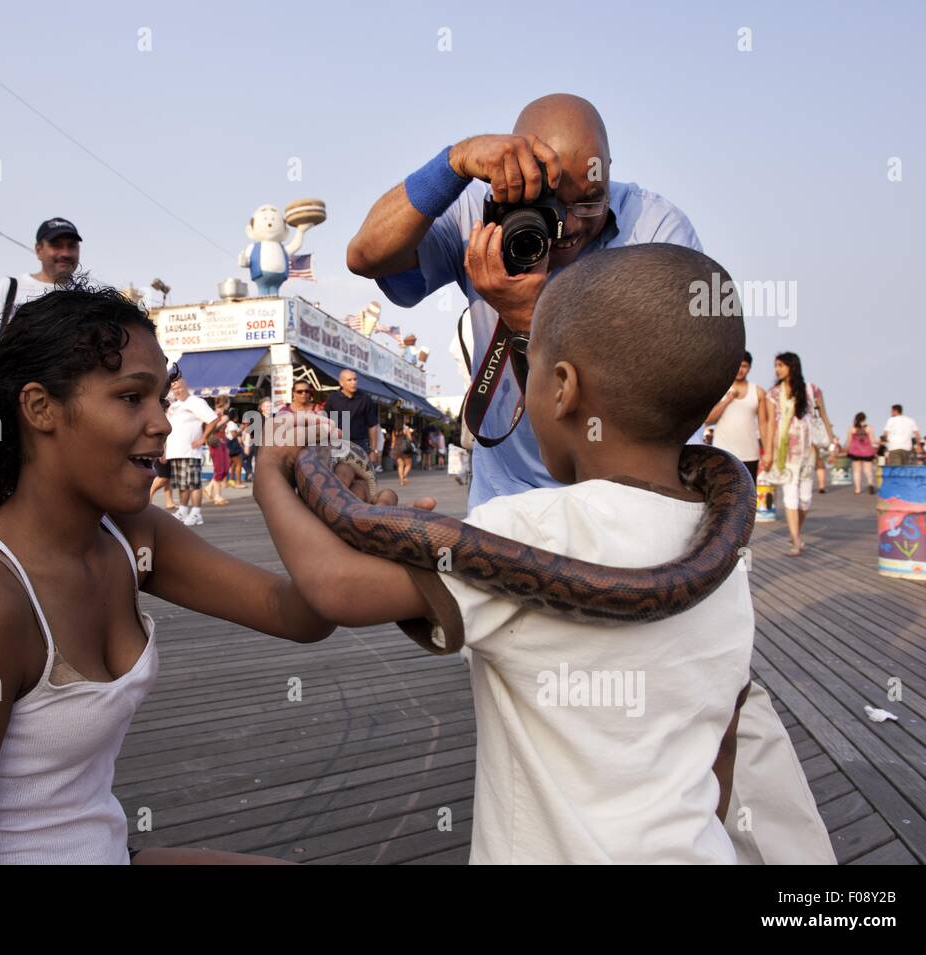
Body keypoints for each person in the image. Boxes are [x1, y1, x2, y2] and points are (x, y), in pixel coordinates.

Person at [258, 244, 756, 863]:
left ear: (563, 388)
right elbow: (724, 749)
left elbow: (335, 587)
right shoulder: (727, 562)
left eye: (529, 362)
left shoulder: (527, 528)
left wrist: (274, 478)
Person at [0, 283, 335, 864]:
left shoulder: (131, 538)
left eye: (160, 398)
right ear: (40, 408)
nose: (161, 423)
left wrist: (295, 496)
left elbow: (300, 614)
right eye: (132, 398)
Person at [348, 93, 702, 507]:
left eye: (590, 200)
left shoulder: (655, 228)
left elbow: (664, 390)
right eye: (549, 200)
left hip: (624, 500)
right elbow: (364, 255)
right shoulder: (481, 211)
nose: (567, 225)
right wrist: (453, 163)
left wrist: (530, 320)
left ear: (609, 174)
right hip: (504, 501)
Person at [0, 217, 81, 368]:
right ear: (38, 250)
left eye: (72, 246)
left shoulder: (86, 300)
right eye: (56, 245)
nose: (65, 253)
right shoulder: (9, 288)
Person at [768, 352, 836, 556]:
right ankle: (796, 540)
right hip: (785, 452)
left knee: (805, 499)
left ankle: (795, 530)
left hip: (808, 451)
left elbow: (823, 417)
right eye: (775, 366)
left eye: (780, 365)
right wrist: (769, 453)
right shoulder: (773, 393)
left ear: (792, 366)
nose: (777, 369)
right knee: (791, 495)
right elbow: (772, 424)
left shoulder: (811, 390)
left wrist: (832, 444)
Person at [705, 351, 774, 480]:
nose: (740, 370)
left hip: (750, 454)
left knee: (749, 495)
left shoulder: (758, 392)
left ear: (749, 368)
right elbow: (709, 419)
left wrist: (768, 452)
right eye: (737, 366)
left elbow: (763, 423)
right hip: (723, 453)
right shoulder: (721, 388)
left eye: (744, 366)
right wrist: (728, 399)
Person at [164, 375, 216, 526]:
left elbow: (212, 419)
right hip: (175, 451)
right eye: (174, 389)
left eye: (179, 387)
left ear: (186, 386)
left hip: (190, 451)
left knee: (193, 484)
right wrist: (164, 450)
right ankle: (183, 510)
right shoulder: (173, 406)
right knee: (181, 484)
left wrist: (202, 438)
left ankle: (196, 513)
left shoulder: (196, 402)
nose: (177, 391)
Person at [320, 369, 380, 461]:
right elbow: (325, 423)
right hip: (338, 444)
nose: (353, 382)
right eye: (349, 380)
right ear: (341, 383)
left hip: (359, 444)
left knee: (363, 474)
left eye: (355, 379)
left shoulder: (365, 399)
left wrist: (374, 450)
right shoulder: (333, 399)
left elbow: (372, 425)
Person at [205, 397, 231, 506]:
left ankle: (208, 488)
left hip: (223, 443)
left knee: (225, 470)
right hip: (215, 444)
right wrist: (222, 421)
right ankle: (217, 496)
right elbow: (210, 429)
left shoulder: (222, 415)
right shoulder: (214, 414)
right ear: (225, 404)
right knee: (219, 470)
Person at [845, 412, 877, 495]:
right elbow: (873, 440)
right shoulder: (869, 428)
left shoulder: (852, 428)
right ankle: (870, 483)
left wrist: (846, 450)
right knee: (868, 470)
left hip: (855, 451)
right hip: (867, 452)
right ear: (865, 419)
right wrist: (876, 448)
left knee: (856, 471)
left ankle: (857, 490)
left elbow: (848, 441)